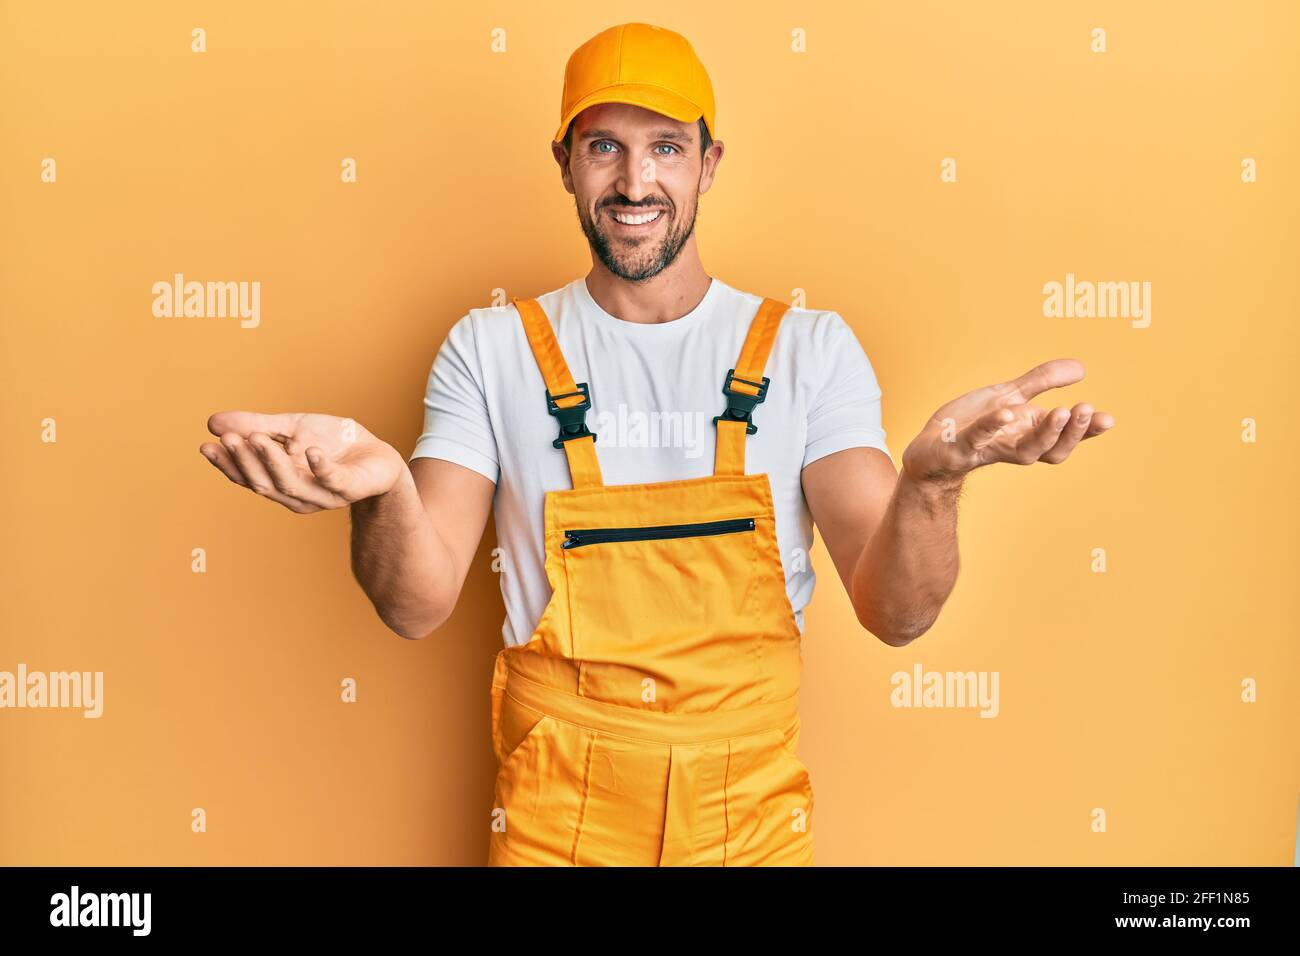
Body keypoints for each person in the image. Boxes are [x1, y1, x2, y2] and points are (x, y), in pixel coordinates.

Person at [199, 22, 1115, 866]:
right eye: (604, 147)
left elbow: (897, 614)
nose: (635, 184)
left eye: (666, 148)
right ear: (564, 163)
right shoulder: (492, 349)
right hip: (556, 826)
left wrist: (931, 484)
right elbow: (415, 606)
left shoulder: (809, 351)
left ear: (709, 163)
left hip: (749, 827)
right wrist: (386, 494)